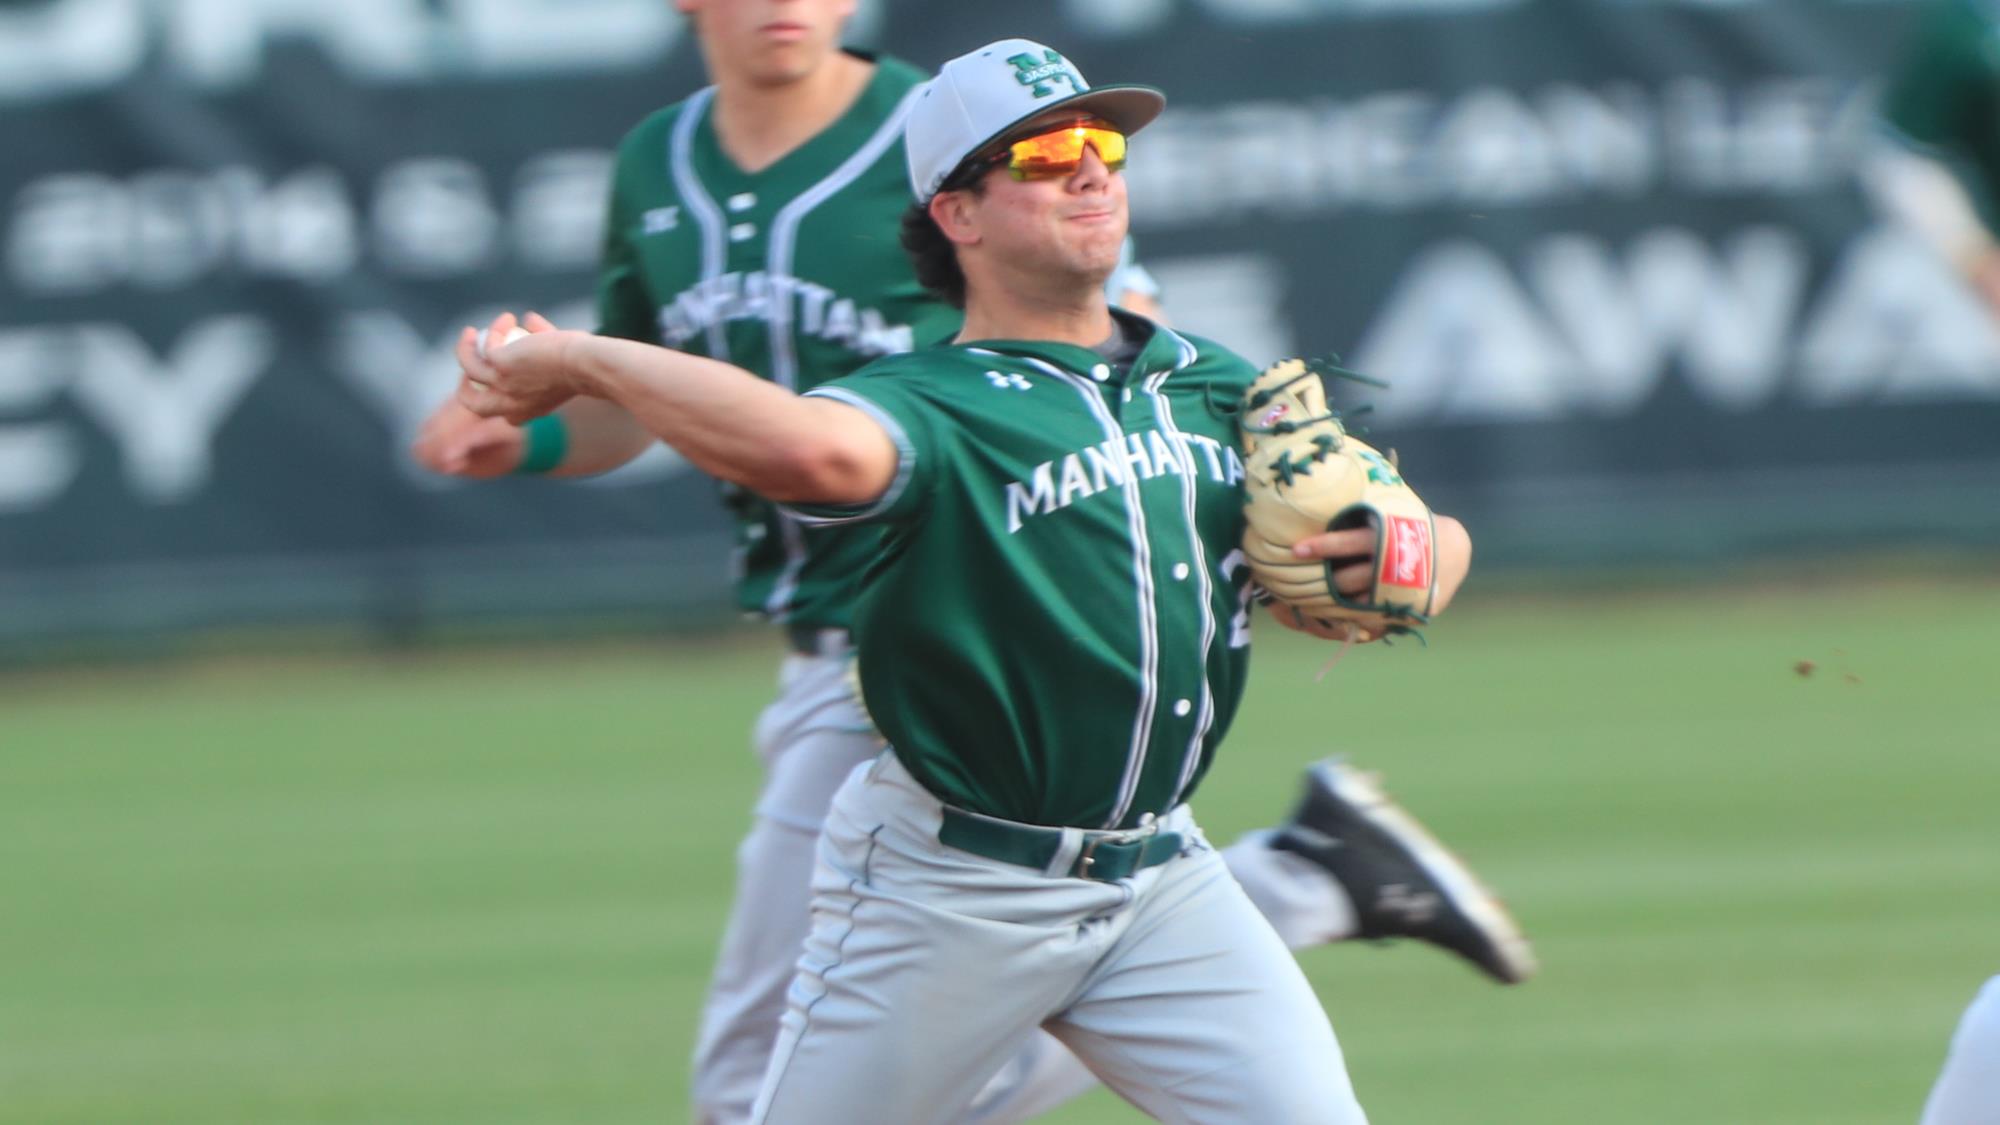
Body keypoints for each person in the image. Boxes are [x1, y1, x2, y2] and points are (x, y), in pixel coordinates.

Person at [414, 6, 1533, 1122]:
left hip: (1161, 883)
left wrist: (1419, 552)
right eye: (1046, 156)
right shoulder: (929, 402)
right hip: (949, 892)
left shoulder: (1211, 380)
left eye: (1103, 148)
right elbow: (807, 448)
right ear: (956, 211)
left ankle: (1293, 880)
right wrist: (573, 363)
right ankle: (1306, 875)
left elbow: (1415, 538)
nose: (1088, 172)